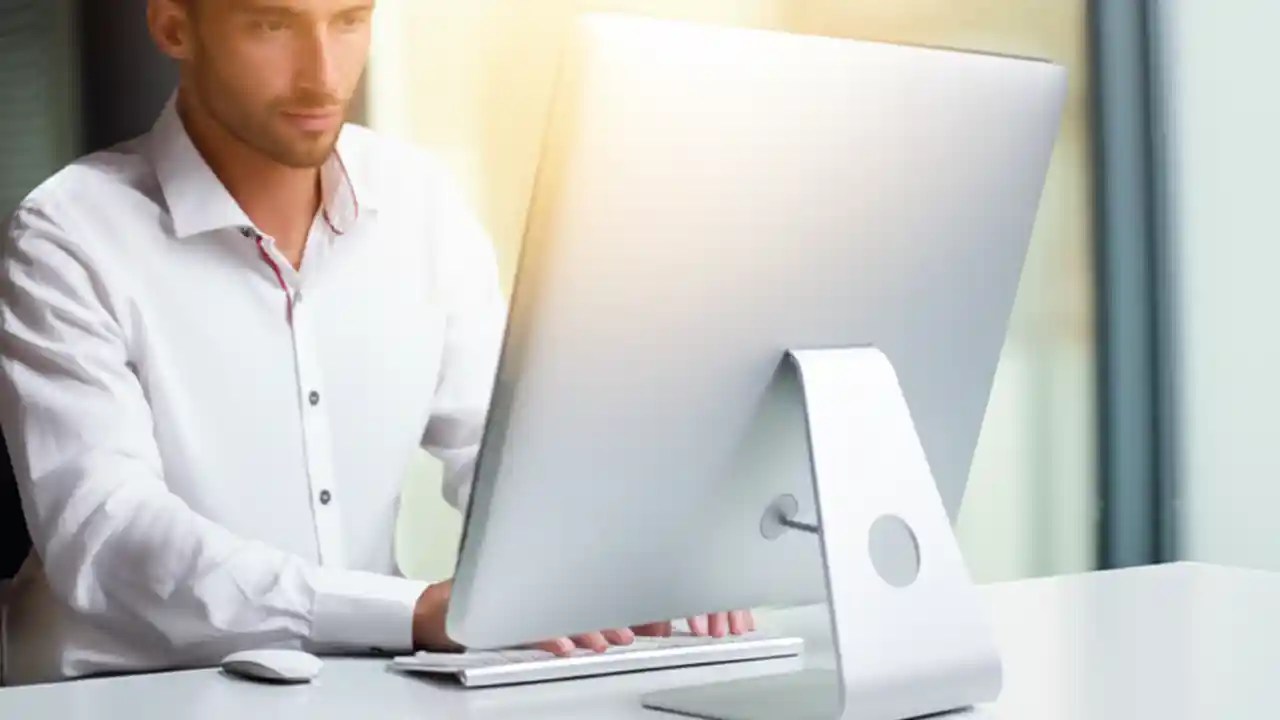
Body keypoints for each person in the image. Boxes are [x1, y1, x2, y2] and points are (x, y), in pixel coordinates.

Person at [0, 0, 752, 686]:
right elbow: (107, 535)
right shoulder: (69, 233)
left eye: (349, 20)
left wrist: (641, 566)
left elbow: (501, 453)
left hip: (359, 688)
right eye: (273, 26)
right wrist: (409, 611)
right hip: (117, 695)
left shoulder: (419, 201)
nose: (323, 75)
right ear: (173, 26)